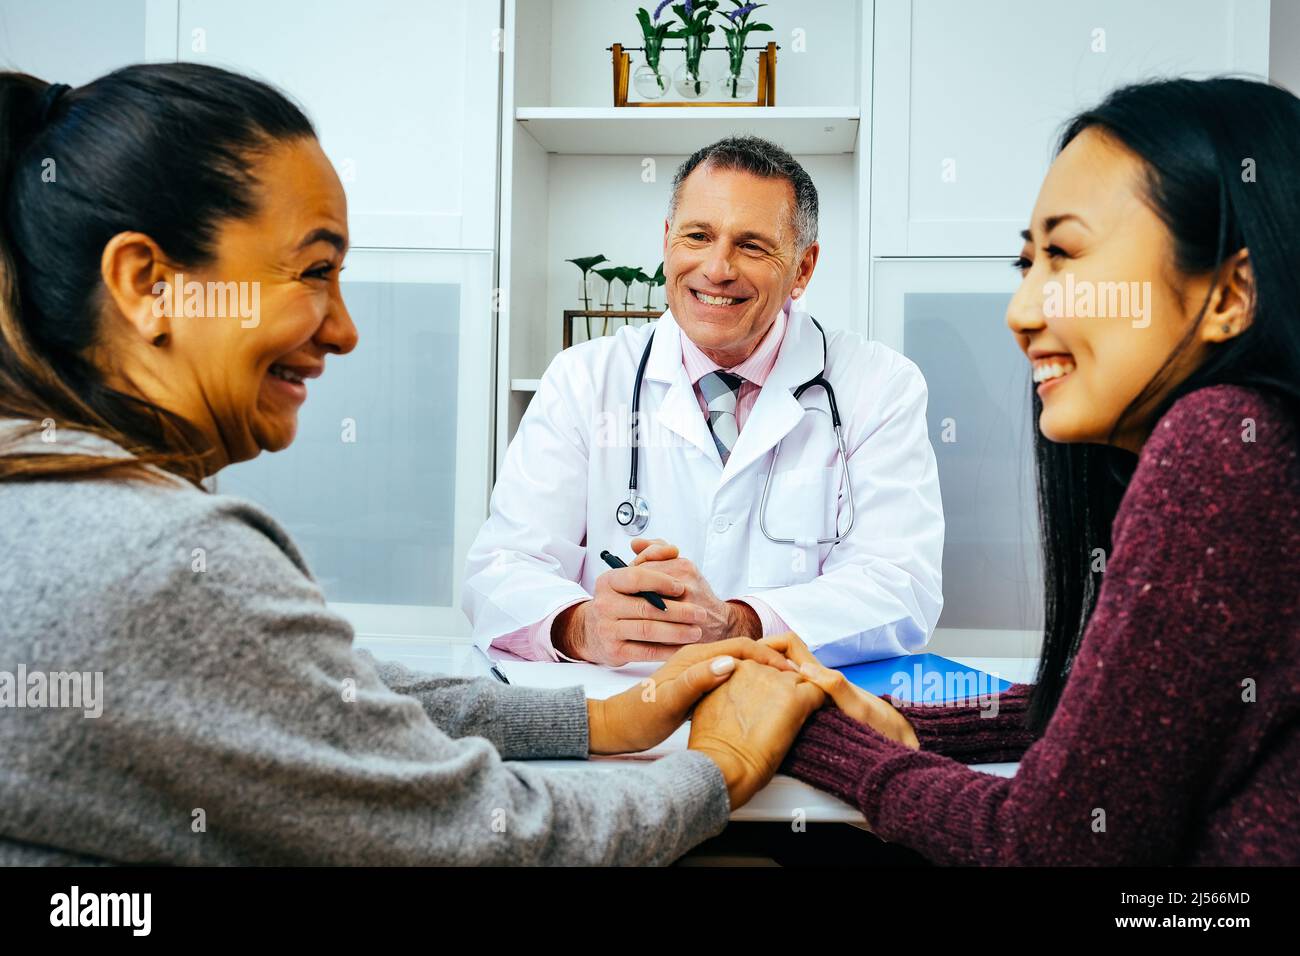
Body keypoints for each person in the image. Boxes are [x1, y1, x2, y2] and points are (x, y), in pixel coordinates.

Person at [0, 63, 826, 865]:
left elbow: (331, 693)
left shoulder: (54, 510)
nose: (345, 329)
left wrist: (604, 720)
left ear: (800, 270)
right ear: (148, 284)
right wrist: (718, 765)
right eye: (315, 270)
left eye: (753, 245)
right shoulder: (161, 562)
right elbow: (485, 836)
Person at [776, 77, 1300, 865]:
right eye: (1027, 263)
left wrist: (813, 738)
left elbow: (1048, 845)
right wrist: (894, 719)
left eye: (1065, 255)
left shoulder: (1225, 445)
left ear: (1230, 293)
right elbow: (1122, 724)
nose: (1022, 311)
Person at [464, 136, 945, 667]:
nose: (718, 269)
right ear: (668, 240)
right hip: (620, 721)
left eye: (753, 245)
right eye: (698, 236)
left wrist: (734, 624)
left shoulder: (880, 386)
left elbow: (901, 587)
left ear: (803, 269)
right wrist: (580, 628)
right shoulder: (584, 378)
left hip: (790, 717)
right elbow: (502, 568)